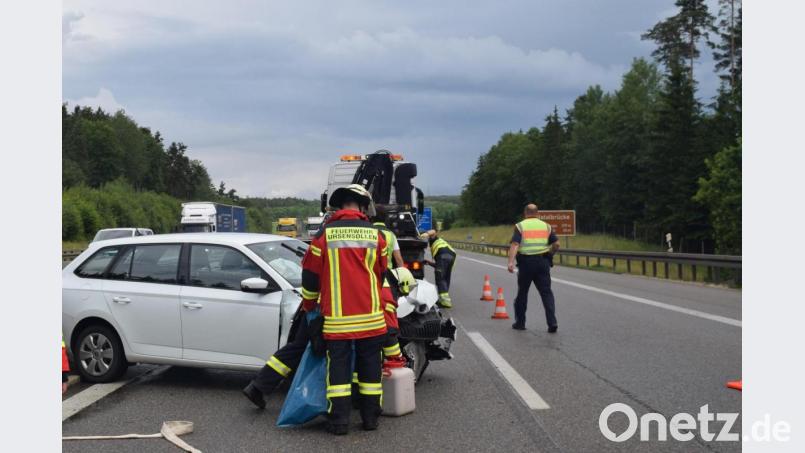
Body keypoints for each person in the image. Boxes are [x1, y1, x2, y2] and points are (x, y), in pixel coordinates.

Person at [302, 184, 388, 435]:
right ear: (362, 206)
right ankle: (370, 419)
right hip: (372, 319)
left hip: (338, 322)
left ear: (339, 207)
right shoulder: (377, 235)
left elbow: (310, 278)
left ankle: (339, 422)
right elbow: (381, 275)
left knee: (338, 373)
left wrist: (310, 306)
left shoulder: (323, 236)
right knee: (370, 370)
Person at [507, 204, 560, 332]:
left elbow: (515, 244)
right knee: (546, 292)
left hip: (526, 263)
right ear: (537, 213)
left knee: (523, 293)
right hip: (543, 262)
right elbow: (556, 244)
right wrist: (550, 255)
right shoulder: (546, 226)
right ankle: (552, 322)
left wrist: (510, 262)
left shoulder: (520, 226)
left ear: (525, 213)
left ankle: (520, 323)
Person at [371, 216, 406, 363]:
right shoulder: (390, 234)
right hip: (388, 278)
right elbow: (398, 259)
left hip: (371, 277)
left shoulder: (368, 231)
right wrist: (403, 277)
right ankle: (394, 359)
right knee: (389, 313)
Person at [421, 229, 456, 308]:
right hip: (451, 256)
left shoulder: (434, 239)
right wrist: (429, 263)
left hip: (443, 255)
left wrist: (425, 234)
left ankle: (445, 302)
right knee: (445, 277)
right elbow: (439, 265)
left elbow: (433, 231)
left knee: (440, 277)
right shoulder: (439, 242)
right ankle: (443, 299)